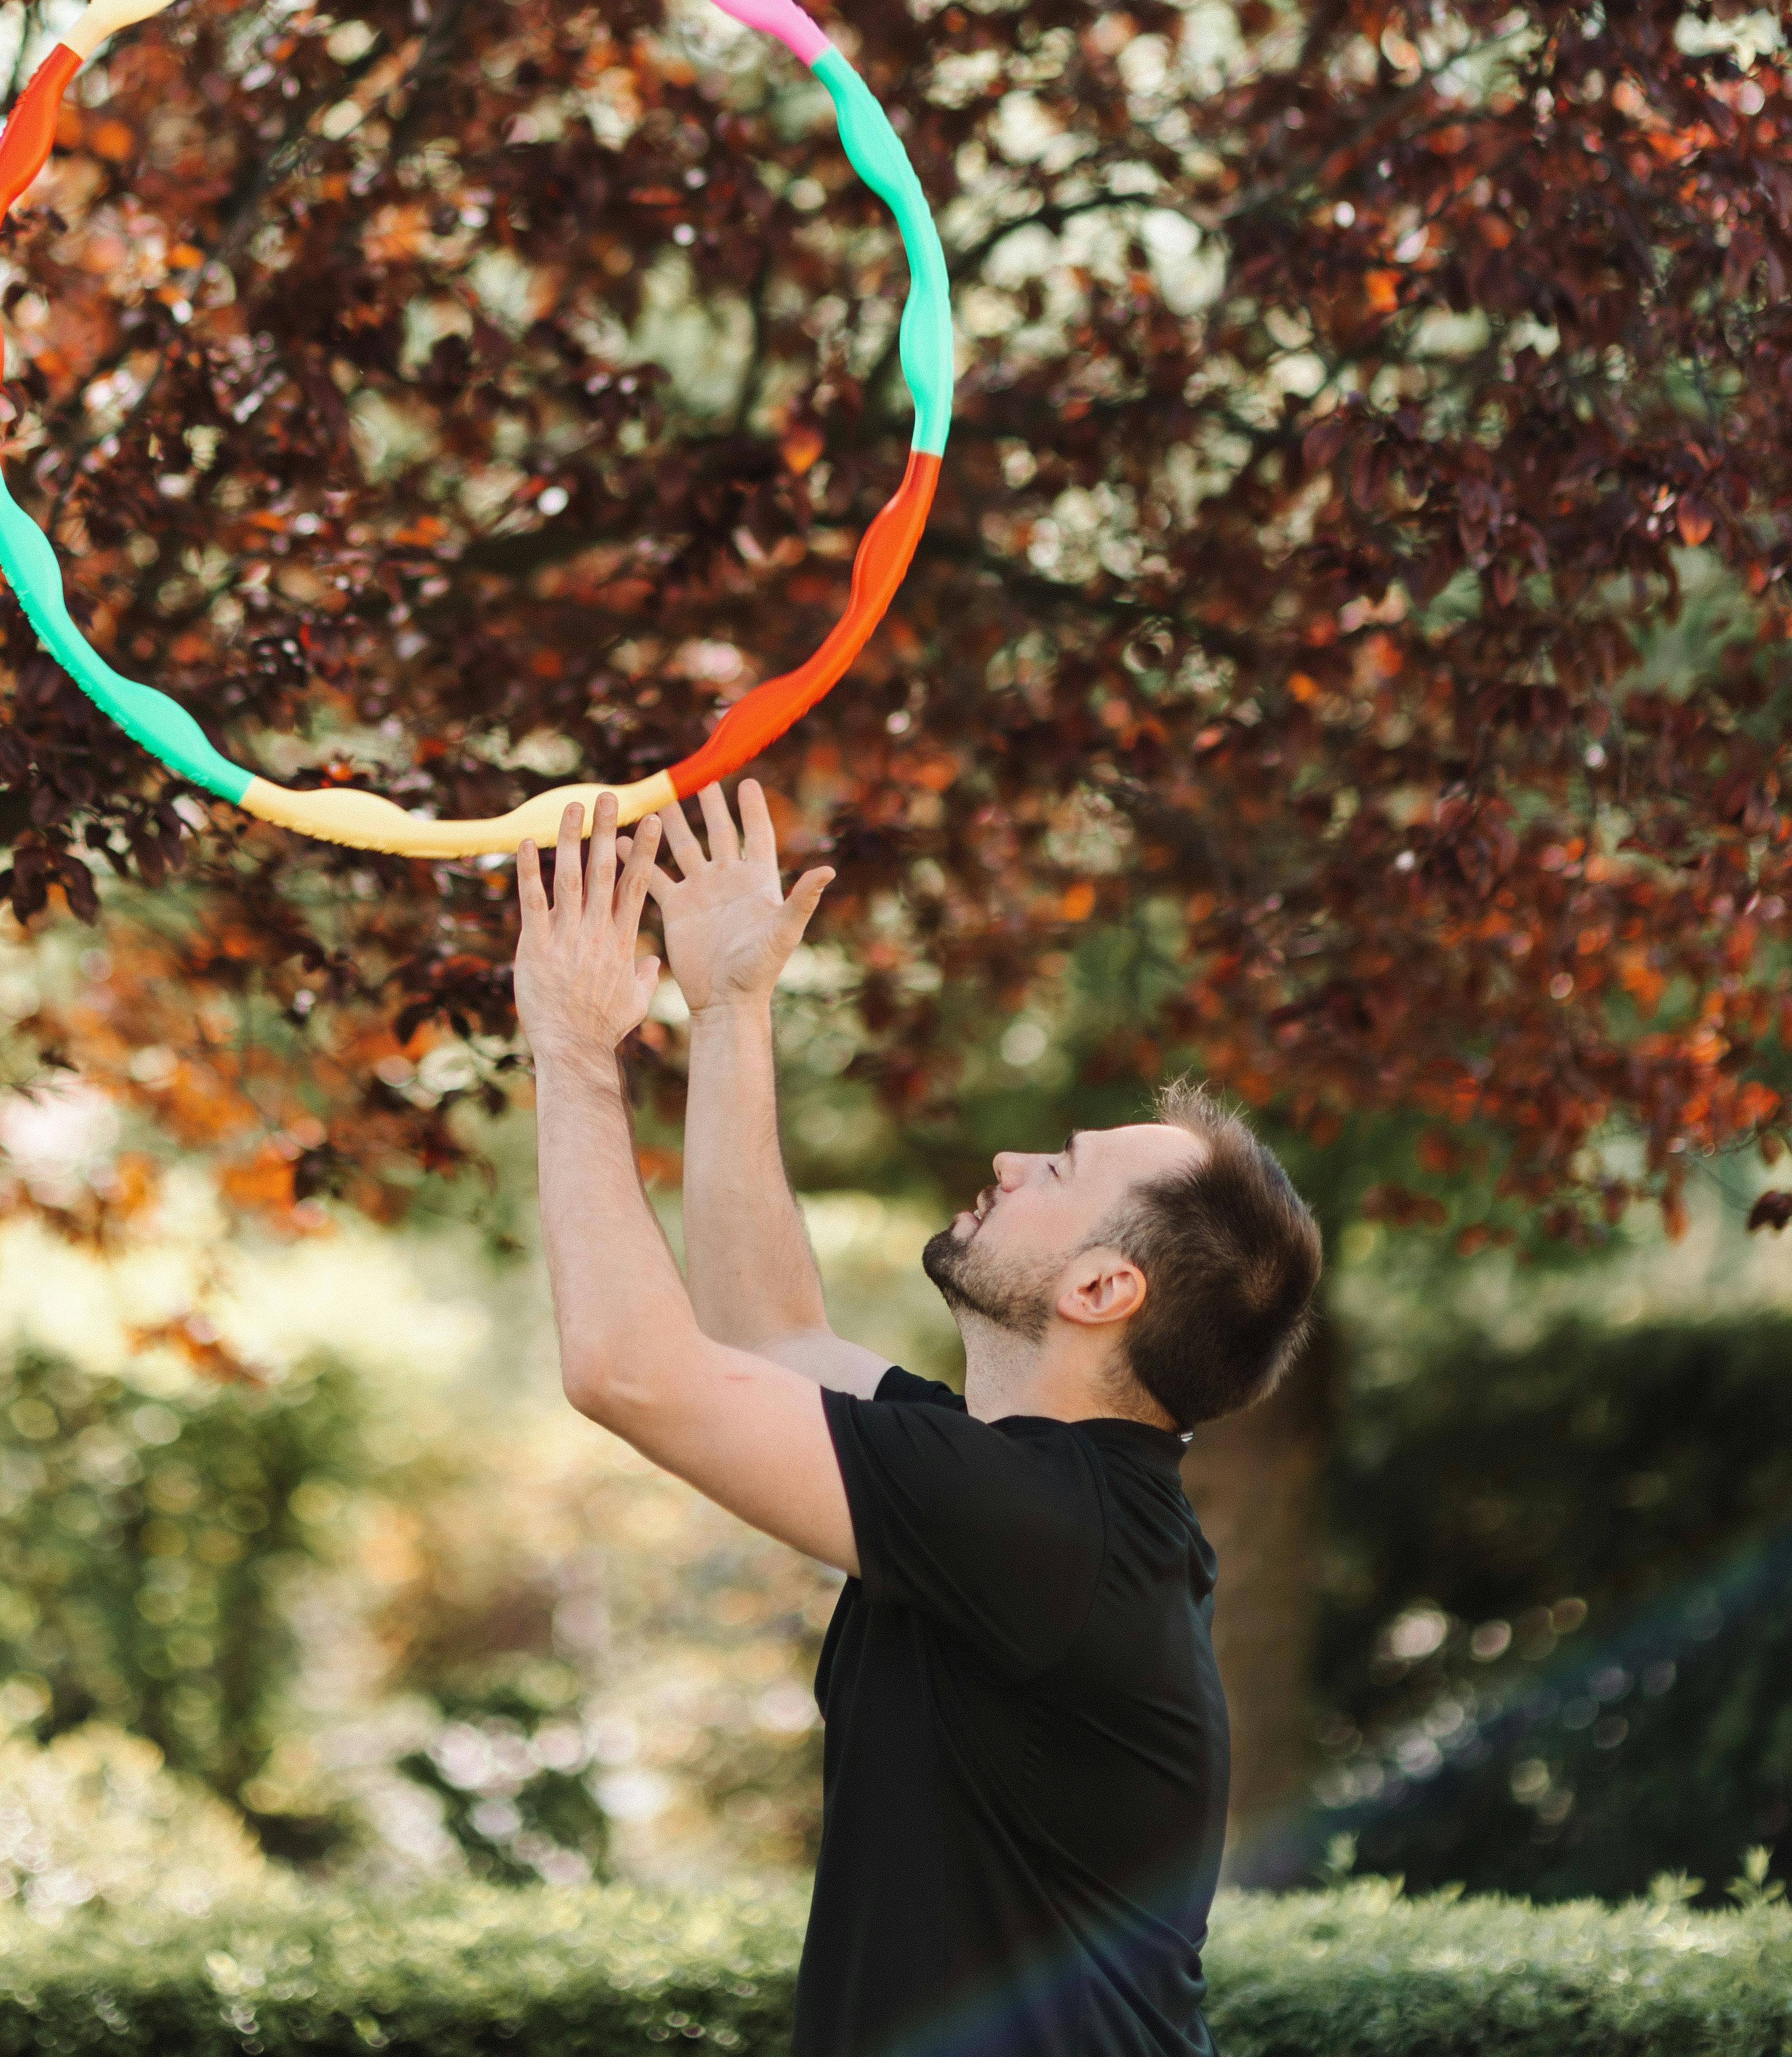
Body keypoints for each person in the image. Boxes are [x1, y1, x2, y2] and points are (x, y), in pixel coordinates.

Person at [514, 777, 1323, 2057]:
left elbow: (631, 1370)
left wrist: (568, 1050)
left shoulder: (1044, 1526)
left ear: (1103, 1289)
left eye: (1056, 1173)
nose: (1008, 1164)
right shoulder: (1034, 1495)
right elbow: (763, 1342)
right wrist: (728, 1008)